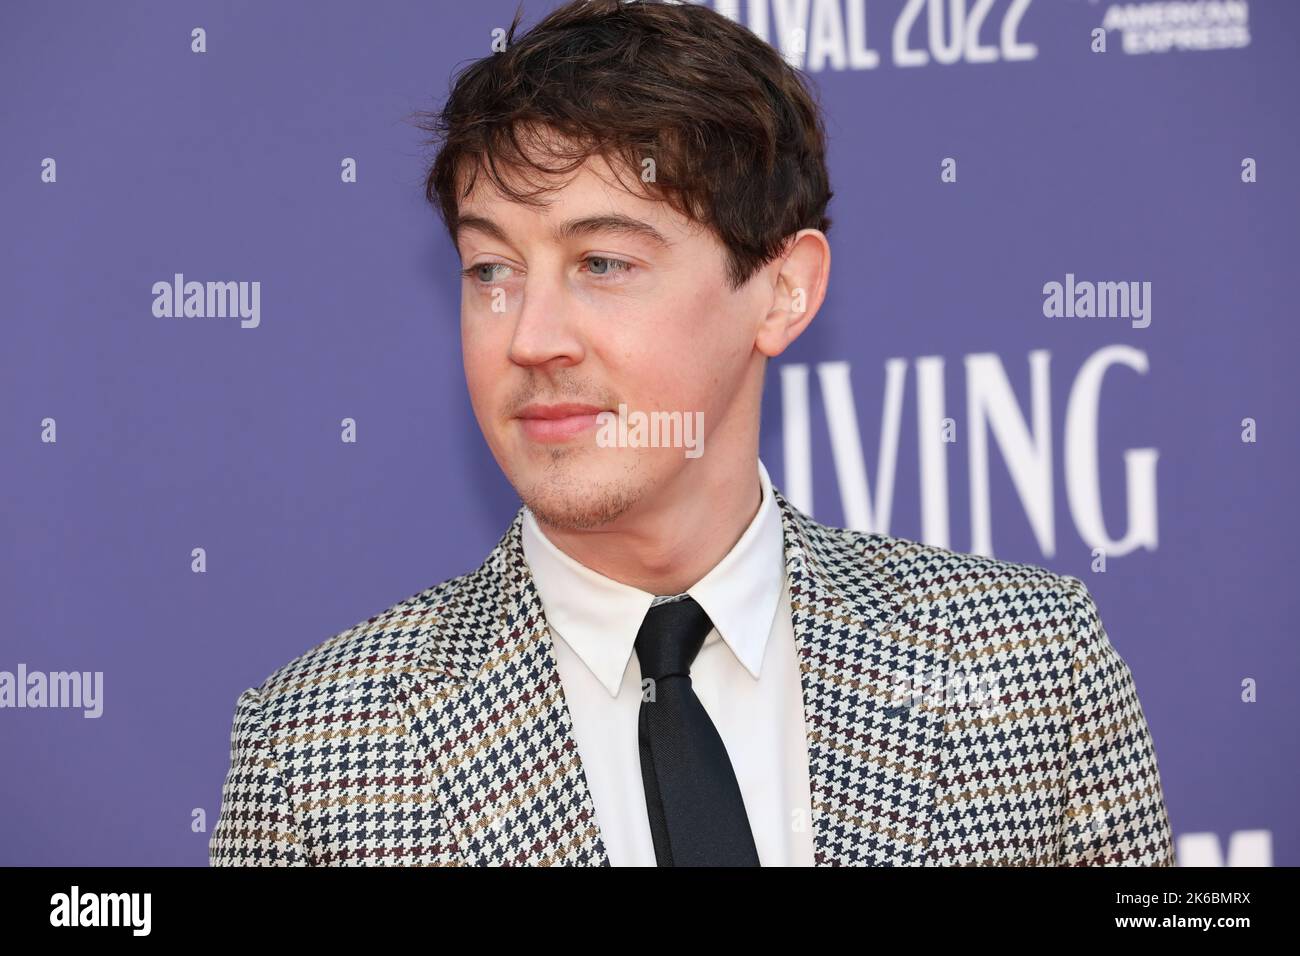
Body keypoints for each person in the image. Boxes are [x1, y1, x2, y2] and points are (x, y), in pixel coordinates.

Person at [210, 0, 1175, 867]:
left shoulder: (1030, 673)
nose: (531, 338)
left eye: (603, 261)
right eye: (490, 271)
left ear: (783, 289)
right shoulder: (317, 756)